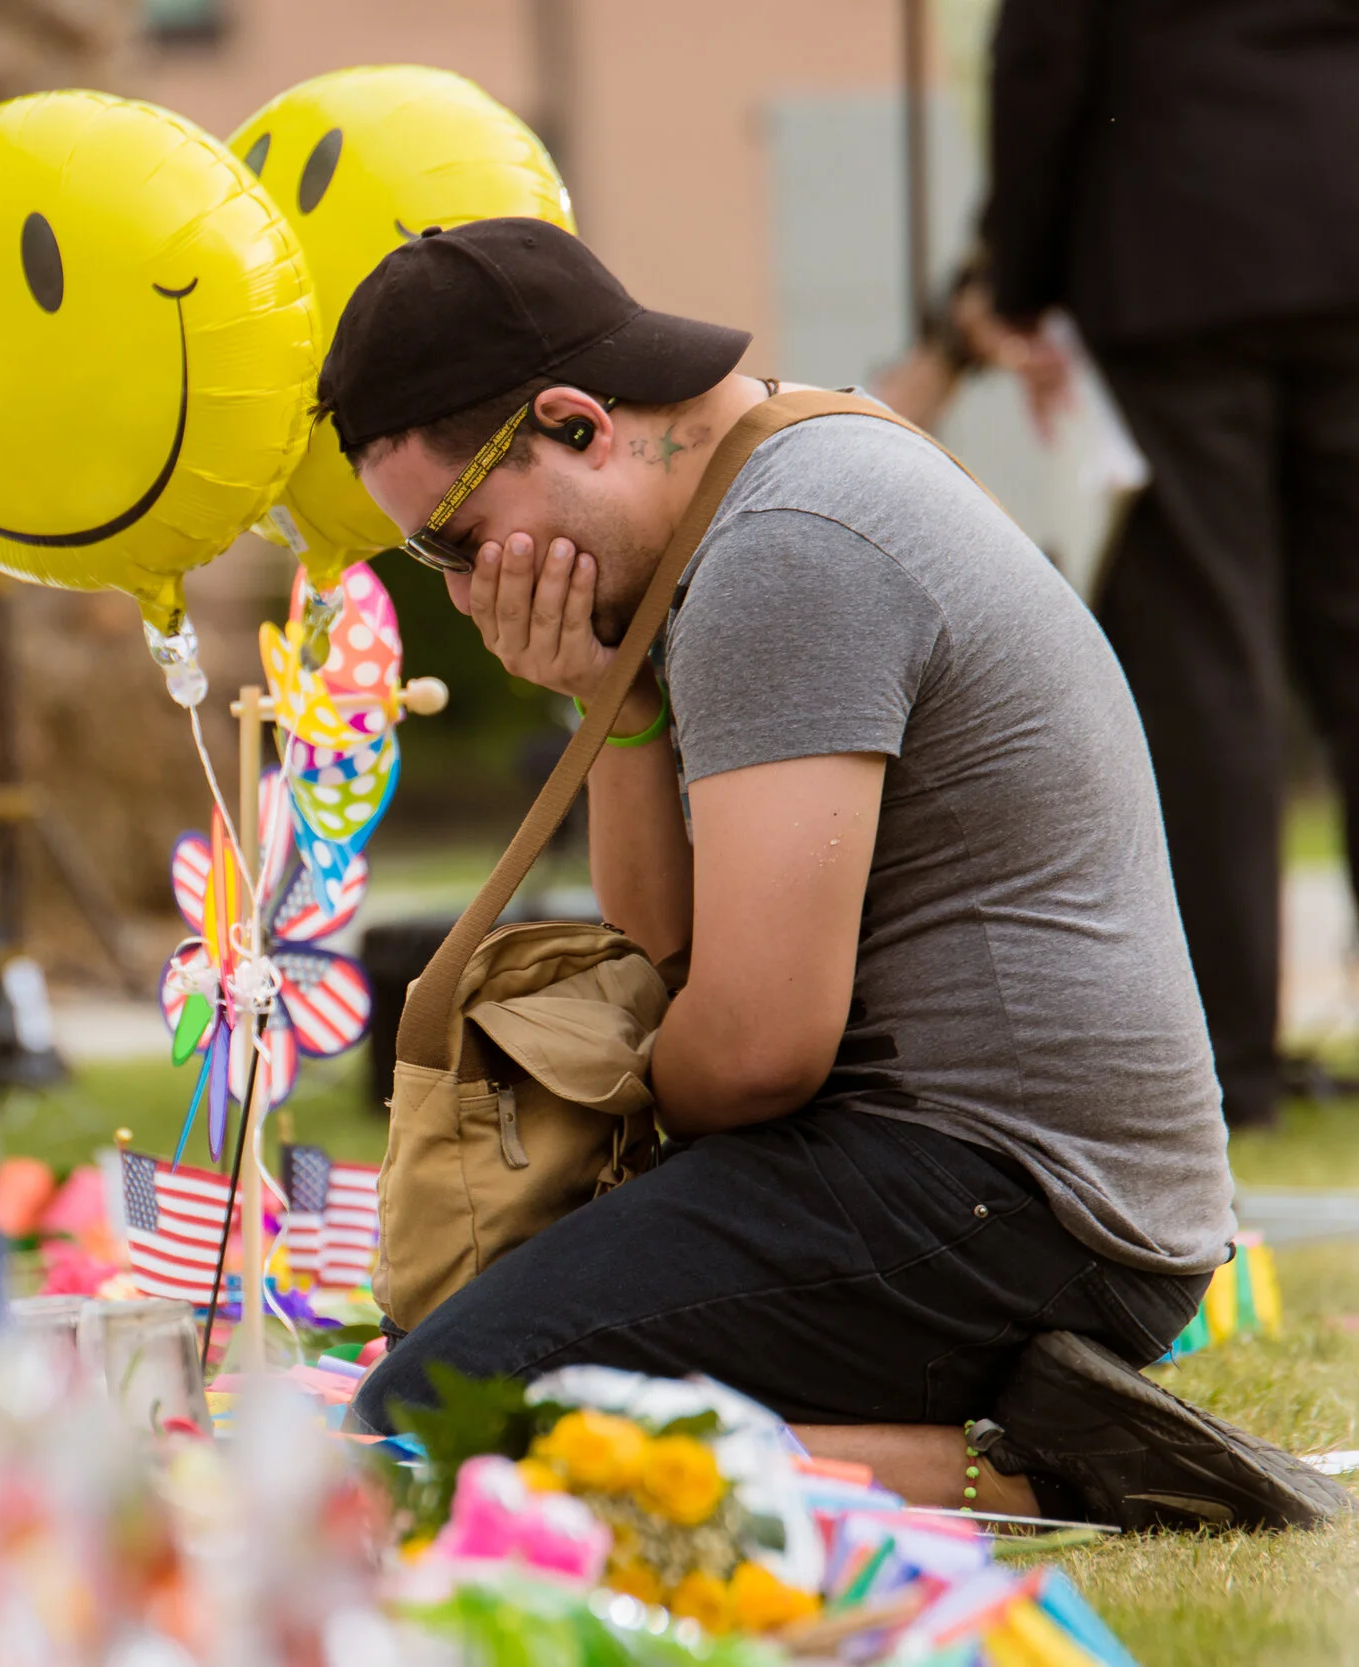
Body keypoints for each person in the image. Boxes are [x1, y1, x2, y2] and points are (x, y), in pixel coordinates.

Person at [326, 219, 1343, 1532]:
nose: (462, 588)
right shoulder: (789, 473)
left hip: (1014, 1193)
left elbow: (752, 1046)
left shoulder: (785, 549)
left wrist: (612, 1123)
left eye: (453, 540)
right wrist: (608, 694)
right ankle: (1007, 1417)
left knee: (431, 1421)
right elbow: (667, 957)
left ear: (578, 423)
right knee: (449, 1358)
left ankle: (1039, 1469)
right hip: (1012, 1176)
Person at [973, 0, 1359, 1131]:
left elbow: (1046, 52)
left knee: (1201, 666)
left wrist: (1017, 279)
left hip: (1176, 245)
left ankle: (1224, 1059)